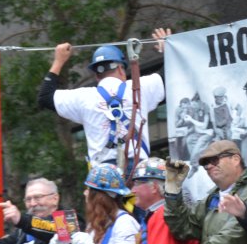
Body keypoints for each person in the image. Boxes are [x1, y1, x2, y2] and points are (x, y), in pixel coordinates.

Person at [38, 34, 168, 165]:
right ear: (120, 69)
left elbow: (45, 97)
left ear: (96, 75)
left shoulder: (84, 97)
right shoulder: (139, 87)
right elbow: (169, 74)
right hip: (136, 169)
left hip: (102, 173)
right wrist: (168, 50)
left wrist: (59, 61)